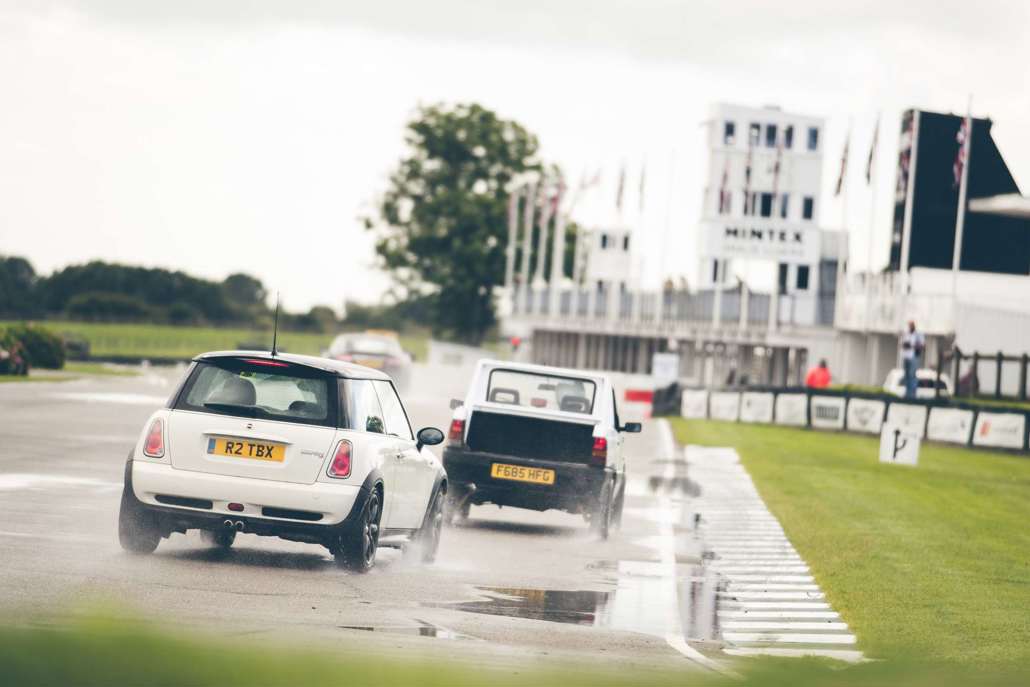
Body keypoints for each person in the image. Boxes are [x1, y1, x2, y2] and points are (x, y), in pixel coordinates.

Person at [901, 320, 925, 399]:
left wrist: (911, 345)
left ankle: (913, 393)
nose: (910, 327)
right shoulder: (906, 334)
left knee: (912, 375)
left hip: (914, 357)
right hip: (906, 356)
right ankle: (907, 393)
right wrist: (905, 345)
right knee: (907, 375)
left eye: (911, 325)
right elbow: (903, 344)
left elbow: (922, 345)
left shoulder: (918, 335)